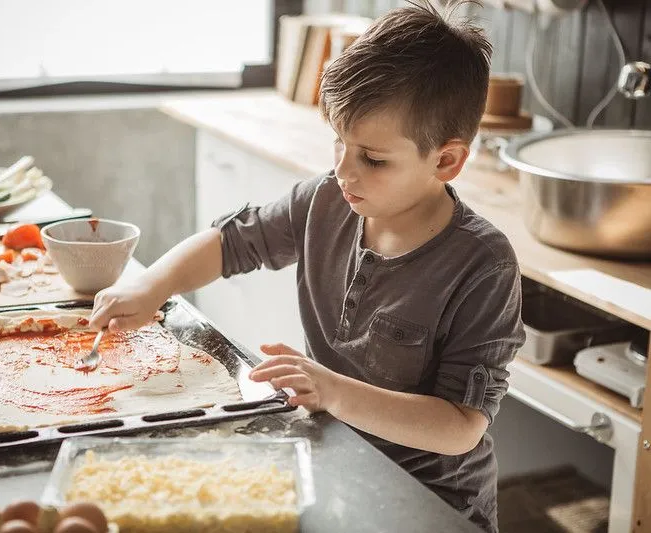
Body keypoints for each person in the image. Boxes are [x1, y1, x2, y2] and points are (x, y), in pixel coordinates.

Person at [90, 2, 525, 531]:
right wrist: (150, 286)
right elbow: (230, 244)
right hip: (340, 465)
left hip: (433, 505)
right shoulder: (326, 201)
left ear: (447, 160)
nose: (343, 170)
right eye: (338, 141)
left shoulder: (483, 265)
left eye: (373, 157)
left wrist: (334, 390)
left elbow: (460, 427)